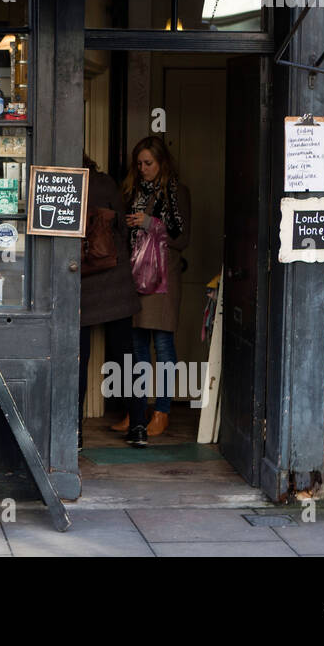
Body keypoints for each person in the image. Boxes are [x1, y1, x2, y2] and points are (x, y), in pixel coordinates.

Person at [122, 136, 190, 442]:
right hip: (136, 275)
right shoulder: (133, 191)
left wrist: (149, 223)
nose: (143, 169)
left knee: (162, 346)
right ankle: (137, 413)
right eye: (139, 164)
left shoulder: (177, 193)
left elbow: (182, 238)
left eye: (148, 163)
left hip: (162, 278)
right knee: (137, 347)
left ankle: (162, 411)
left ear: (162, 162)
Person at [78, 155, 142, 448]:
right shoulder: (106, 183)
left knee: (77, 360)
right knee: (126, 356)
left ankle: (74, 430)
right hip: (114, 274)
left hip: (80, 277)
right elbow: (125, 229)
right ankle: (138, 424)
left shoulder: (66, 182)